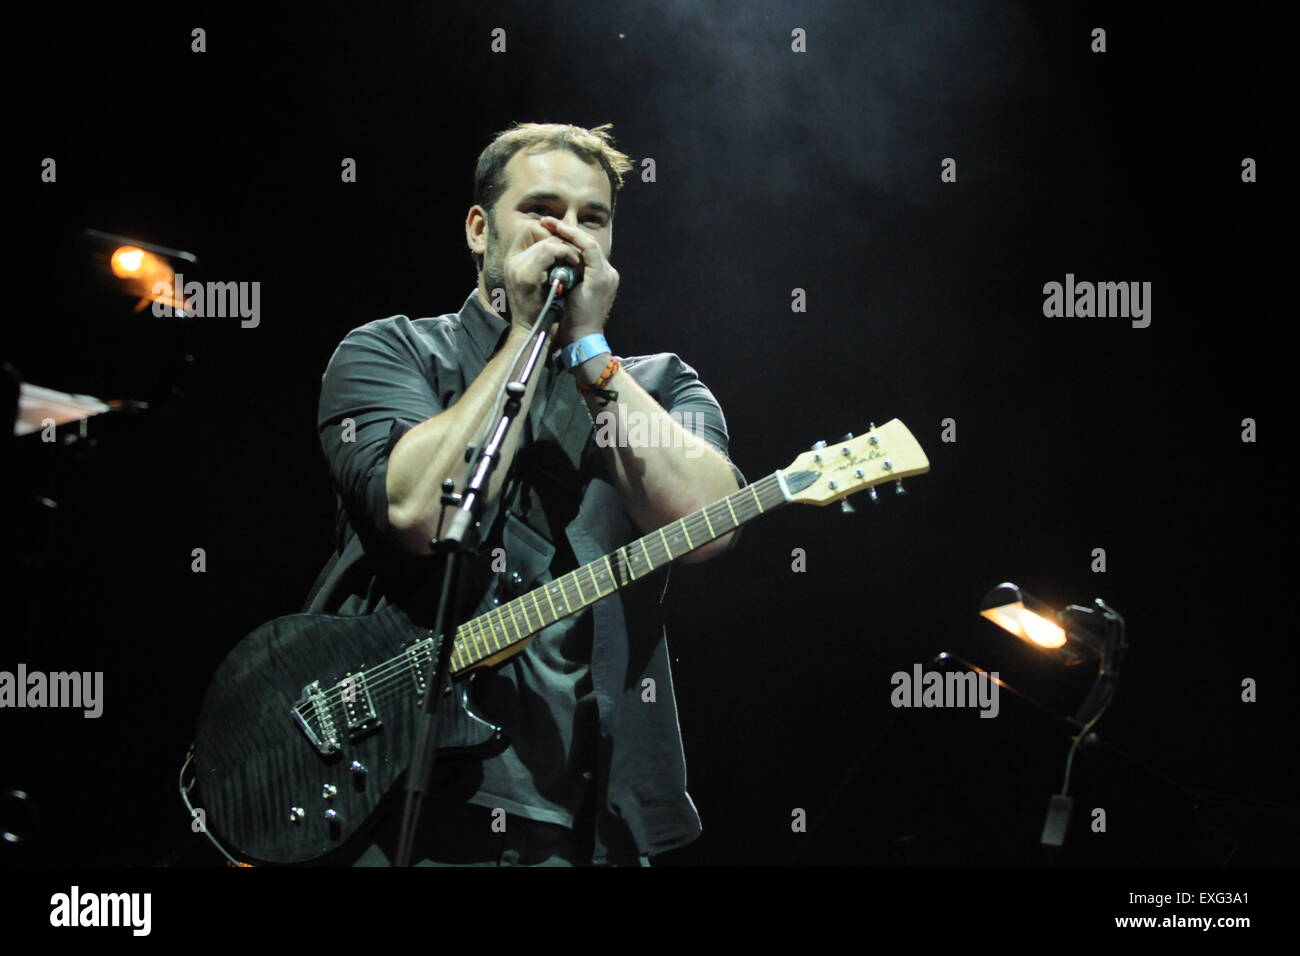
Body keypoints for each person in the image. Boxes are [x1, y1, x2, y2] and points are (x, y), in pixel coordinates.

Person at [303, 122, 746, 866]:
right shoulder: (391, 351)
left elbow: (707, 525)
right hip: (385, 782)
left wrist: (592, 356)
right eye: (542, 209)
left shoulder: (661, 385)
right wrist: (524, 335)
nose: (568, 233)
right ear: (480, 231)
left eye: (592, 218)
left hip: (580, 814)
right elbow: (419, 510)